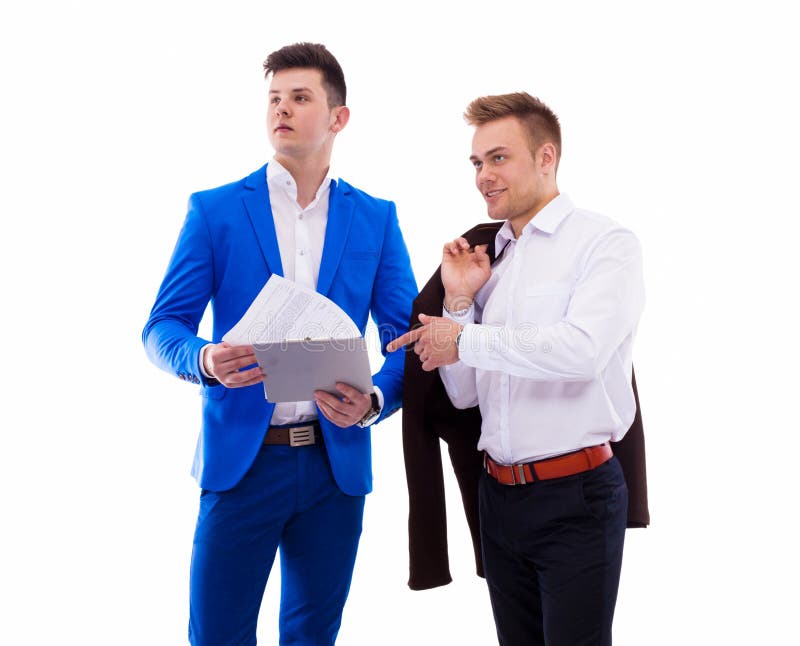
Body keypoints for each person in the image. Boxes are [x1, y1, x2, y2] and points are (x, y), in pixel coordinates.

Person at [143, 42, 417, 646]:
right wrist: (204, 360)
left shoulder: (375, 218)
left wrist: (374, 401)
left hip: (333, 465)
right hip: (242, 463)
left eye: (299, 97)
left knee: (313, 636)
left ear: (338, 117)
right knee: (216, 635)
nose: (281, 110)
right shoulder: (214, 211)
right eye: (273, 98)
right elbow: (162, 327)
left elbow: (407, 345)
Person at [388, 92, 645, 646]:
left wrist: (468, 336)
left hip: (576, 495)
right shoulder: (489, 259)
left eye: (498, 158)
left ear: (546, 157)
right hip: (499, 496)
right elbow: (462, 397)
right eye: (477, 163)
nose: (483, 176)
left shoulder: (605, 243)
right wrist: (459, 302)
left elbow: (580, 352)